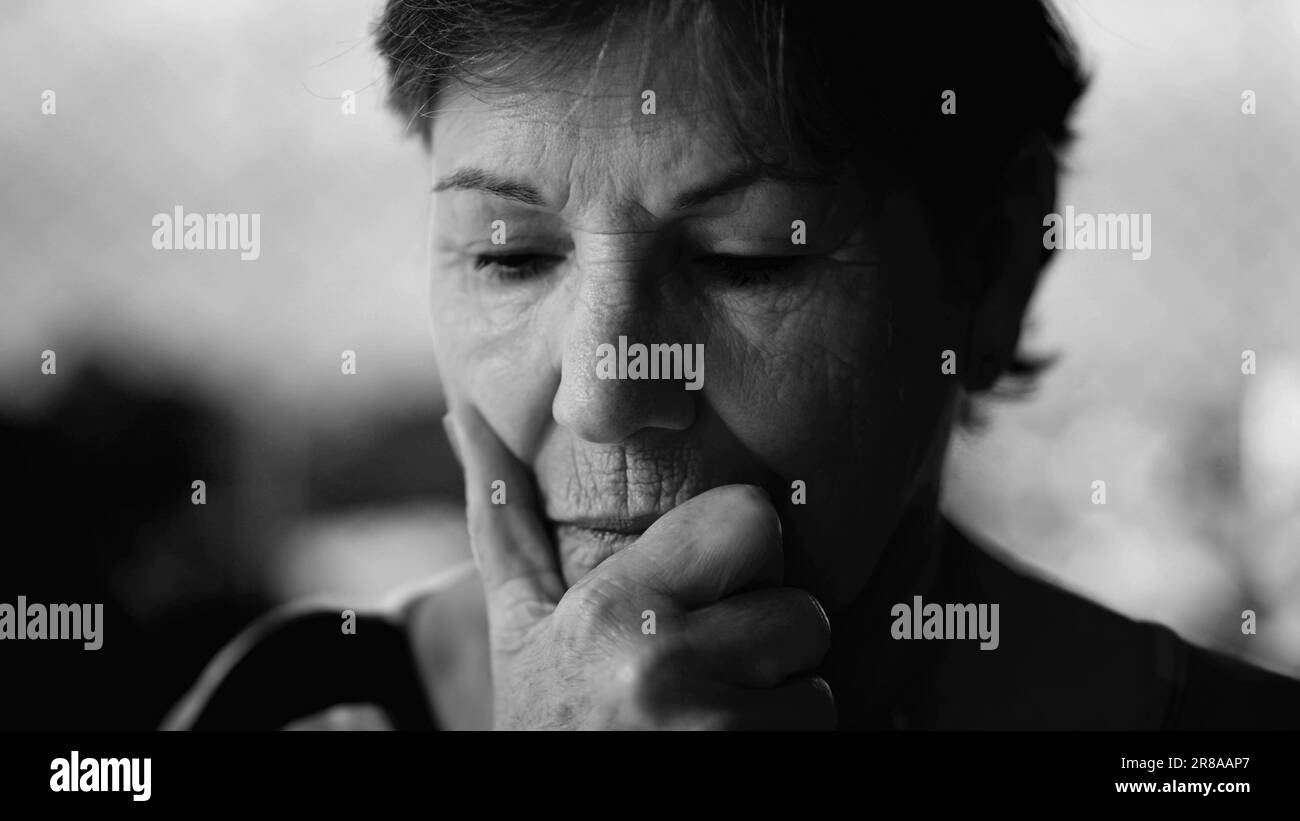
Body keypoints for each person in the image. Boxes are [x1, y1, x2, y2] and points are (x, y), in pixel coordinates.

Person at [165, 0, 1300, 730]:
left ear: (990, 268)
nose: (603, 393)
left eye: (747, 259)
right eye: (508, 257)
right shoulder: (292, 708)